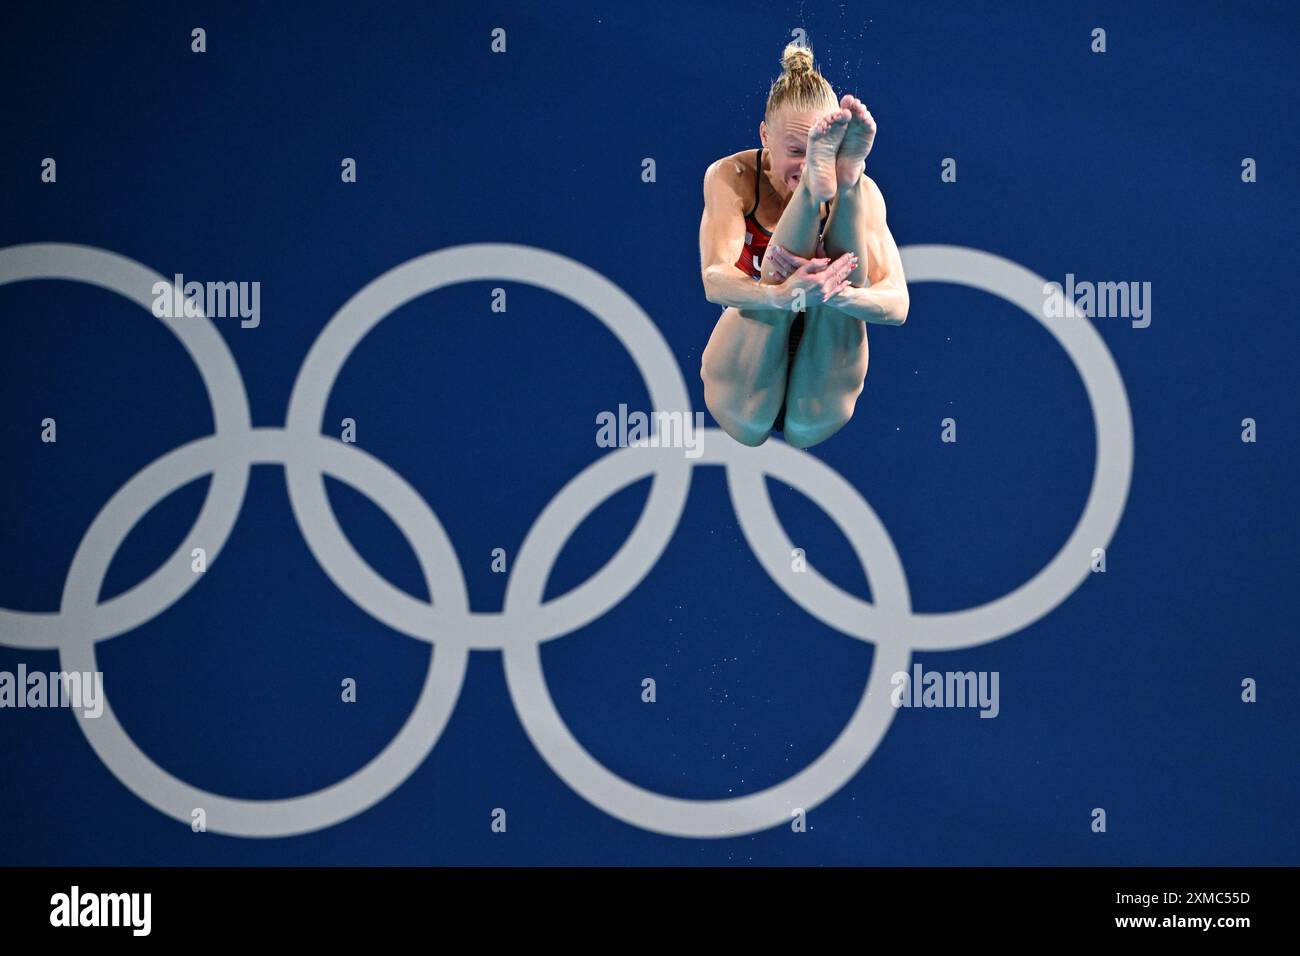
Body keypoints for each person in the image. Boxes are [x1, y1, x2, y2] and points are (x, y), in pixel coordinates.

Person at [699, 42, 909, 448]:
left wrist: (834, 294)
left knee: (846, 270)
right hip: (747, 371)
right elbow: (715, 280)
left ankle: (839, 188)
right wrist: (782, 295)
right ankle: (819, 194)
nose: (802, 162)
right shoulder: (733, 176)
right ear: (764, 134)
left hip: (822, 380)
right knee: (776, 275)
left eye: (817, 154)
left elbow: (897, 304)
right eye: (797, 151)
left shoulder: (868, 193)